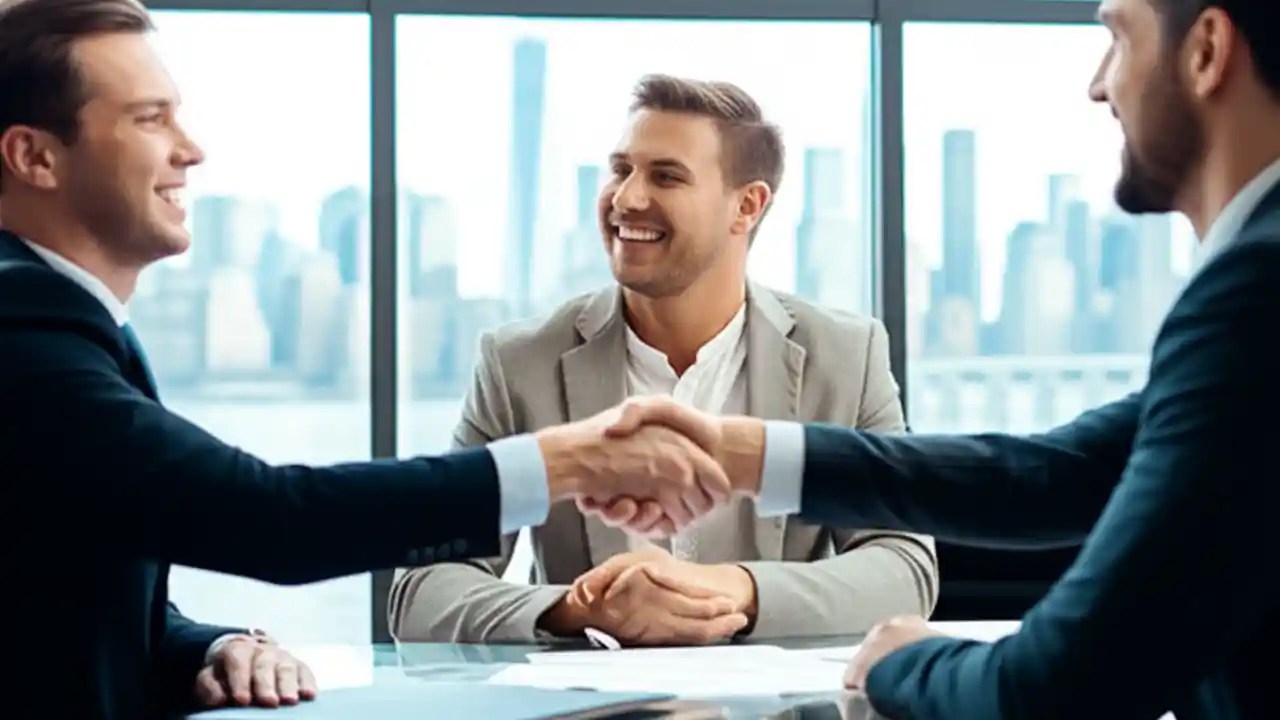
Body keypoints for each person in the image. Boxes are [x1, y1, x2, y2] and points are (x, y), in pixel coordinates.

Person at [0, 1, 730, 718]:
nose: (190, 150)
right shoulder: (23, 330)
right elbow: (266, 517)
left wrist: (212, 646)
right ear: (34, 157)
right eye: (149, 119)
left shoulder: (60, 318)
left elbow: (76, 587)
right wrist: (567, 463)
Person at [590, 0, 1280, 717]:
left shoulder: (1255, 293)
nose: (1099, 85)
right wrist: (741, 457)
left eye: (1119, 38)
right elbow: (1055, 474)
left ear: (1206, 51)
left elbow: (1054, 684)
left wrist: (903, 660)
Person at [387, 75, 937, 646]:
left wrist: (736, 589)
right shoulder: (519, 363)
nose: (626, 198)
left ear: (746, 206)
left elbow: (905, 568)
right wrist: (583, 608)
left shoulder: (845, 355)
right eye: (621, 169)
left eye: (666, 176)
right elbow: (421, 587)